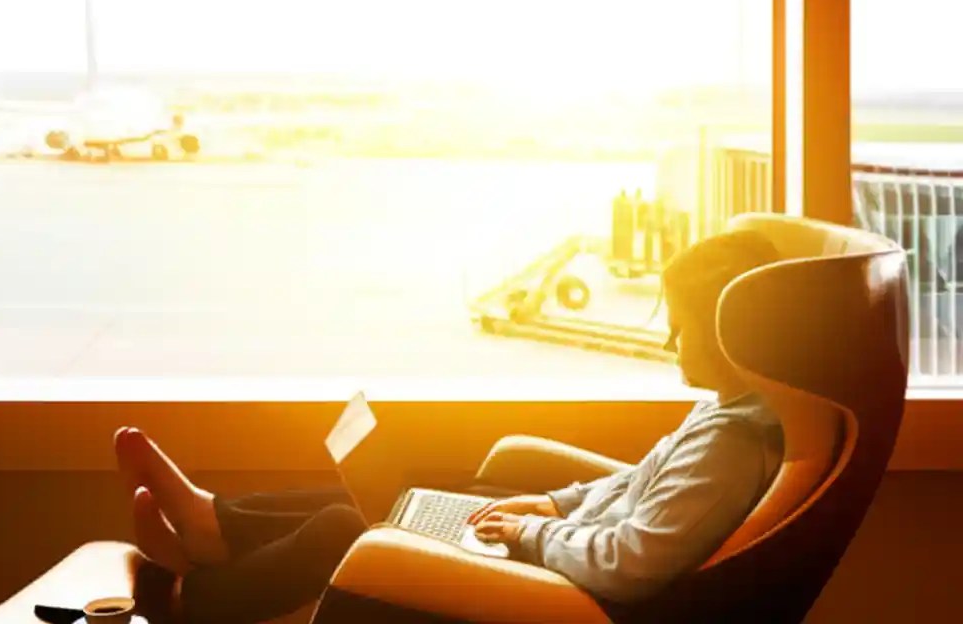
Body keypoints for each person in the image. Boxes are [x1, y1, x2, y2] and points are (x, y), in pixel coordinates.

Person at [115, 229, 785, 623]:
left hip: (568, 591)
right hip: (561, 545)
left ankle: (187, 601)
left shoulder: (731, 444)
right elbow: (636, 486)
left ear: (734, 330)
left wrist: (529, 531)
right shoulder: (728, 408)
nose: (670, 339)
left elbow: (631, 563)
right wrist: (553, 501)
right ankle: (212, 524)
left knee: (349, 533)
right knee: (368, 503)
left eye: (683, 323)